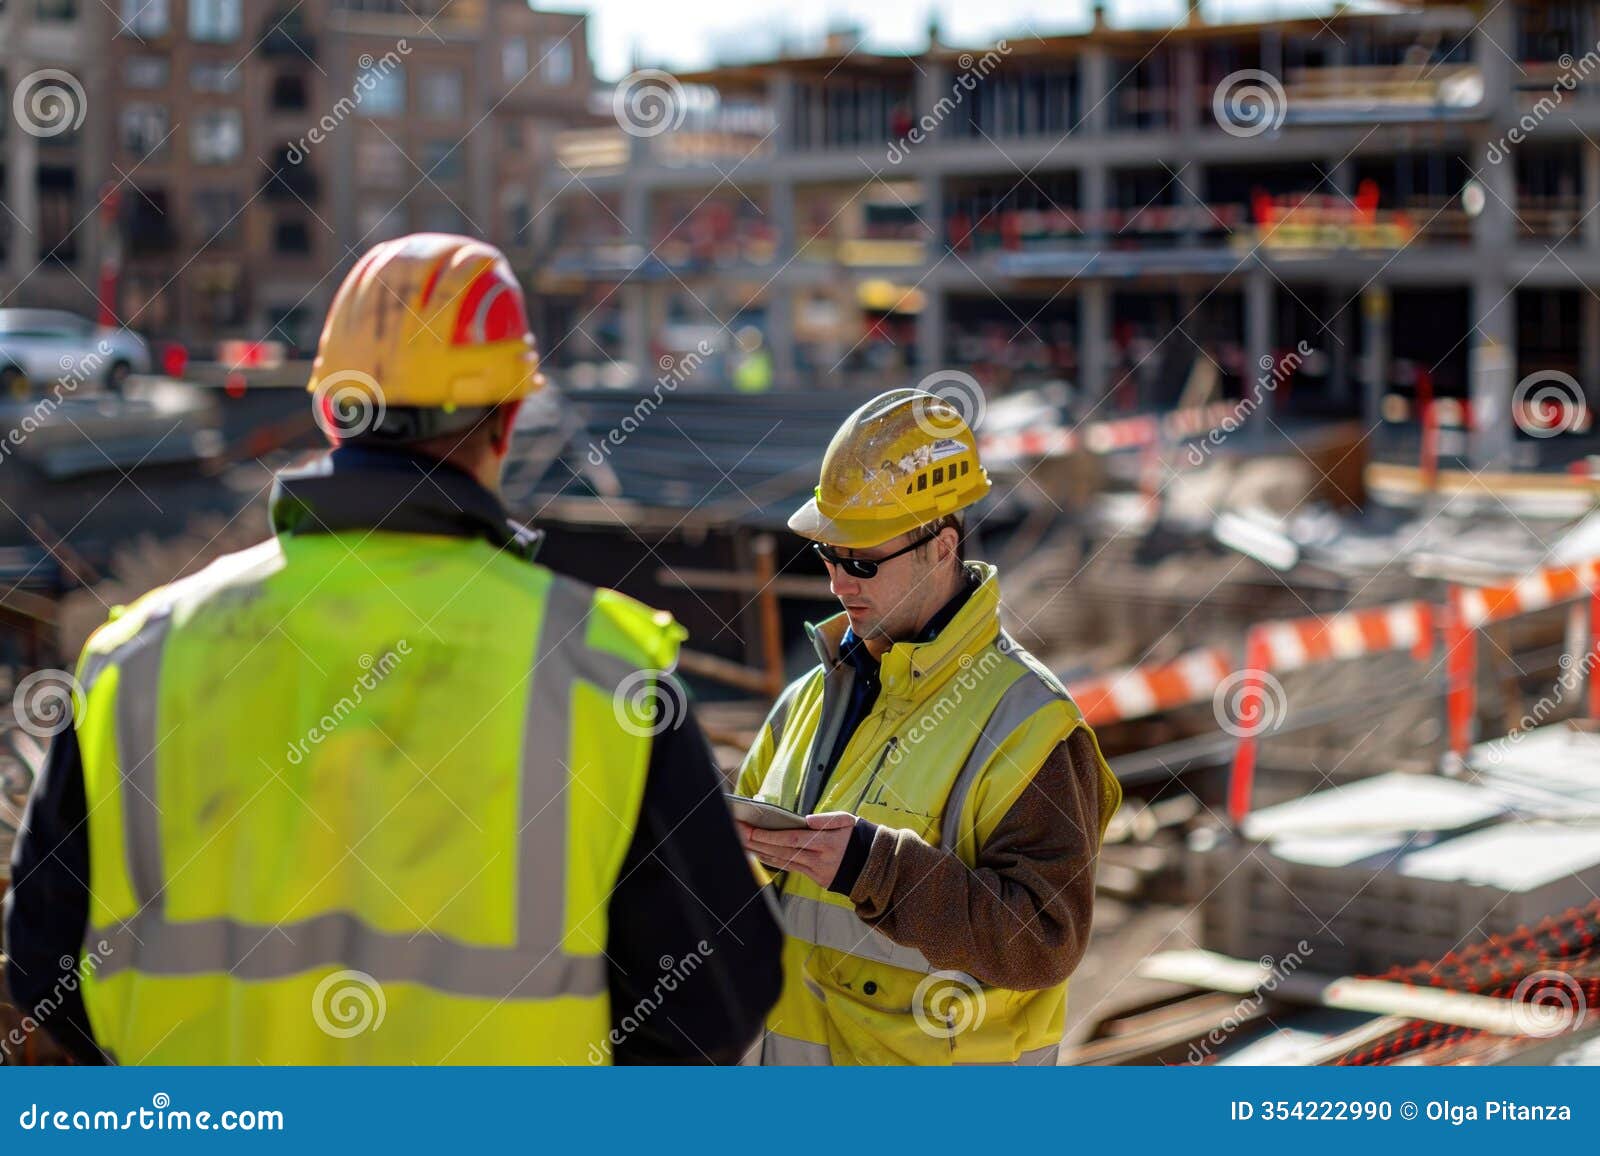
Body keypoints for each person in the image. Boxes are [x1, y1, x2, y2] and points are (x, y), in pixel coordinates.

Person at [5, 233, 781, 1065]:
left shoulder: (139, 656)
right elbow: (716, 998)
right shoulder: (602, 668)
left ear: (329, 410)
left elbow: (48, 967)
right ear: (509, 419)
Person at [734, 388, 1122, 1065]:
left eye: (860, 561)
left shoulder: (1029, 726)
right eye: (827, 555)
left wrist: (877, 869)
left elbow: (1045, 941)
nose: (837, 582)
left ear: (940, 547)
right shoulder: (806, 702)